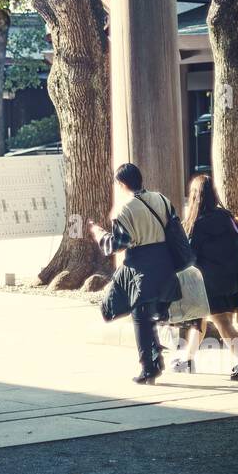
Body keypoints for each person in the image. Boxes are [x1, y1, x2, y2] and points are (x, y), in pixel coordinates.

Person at [88, 162, 182, 385]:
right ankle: (155, 360)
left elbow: (118, 244)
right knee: (152, 314)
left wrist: (100, 234)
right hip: (165, 262)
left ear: (121, 184)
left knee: (140, 317)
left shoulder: (125, 209)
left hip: (141, 266)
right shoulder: (162, 199)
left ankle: (149, 368)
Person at [171, 173, 238, 380]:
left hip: (207, 283)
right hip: (230, 278)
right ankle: (188, 360)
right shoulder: (227, 217)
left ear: (195, 196)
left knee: (222, 322)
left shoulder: (197, 224)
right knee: (199, 321)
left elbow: (189, 254)